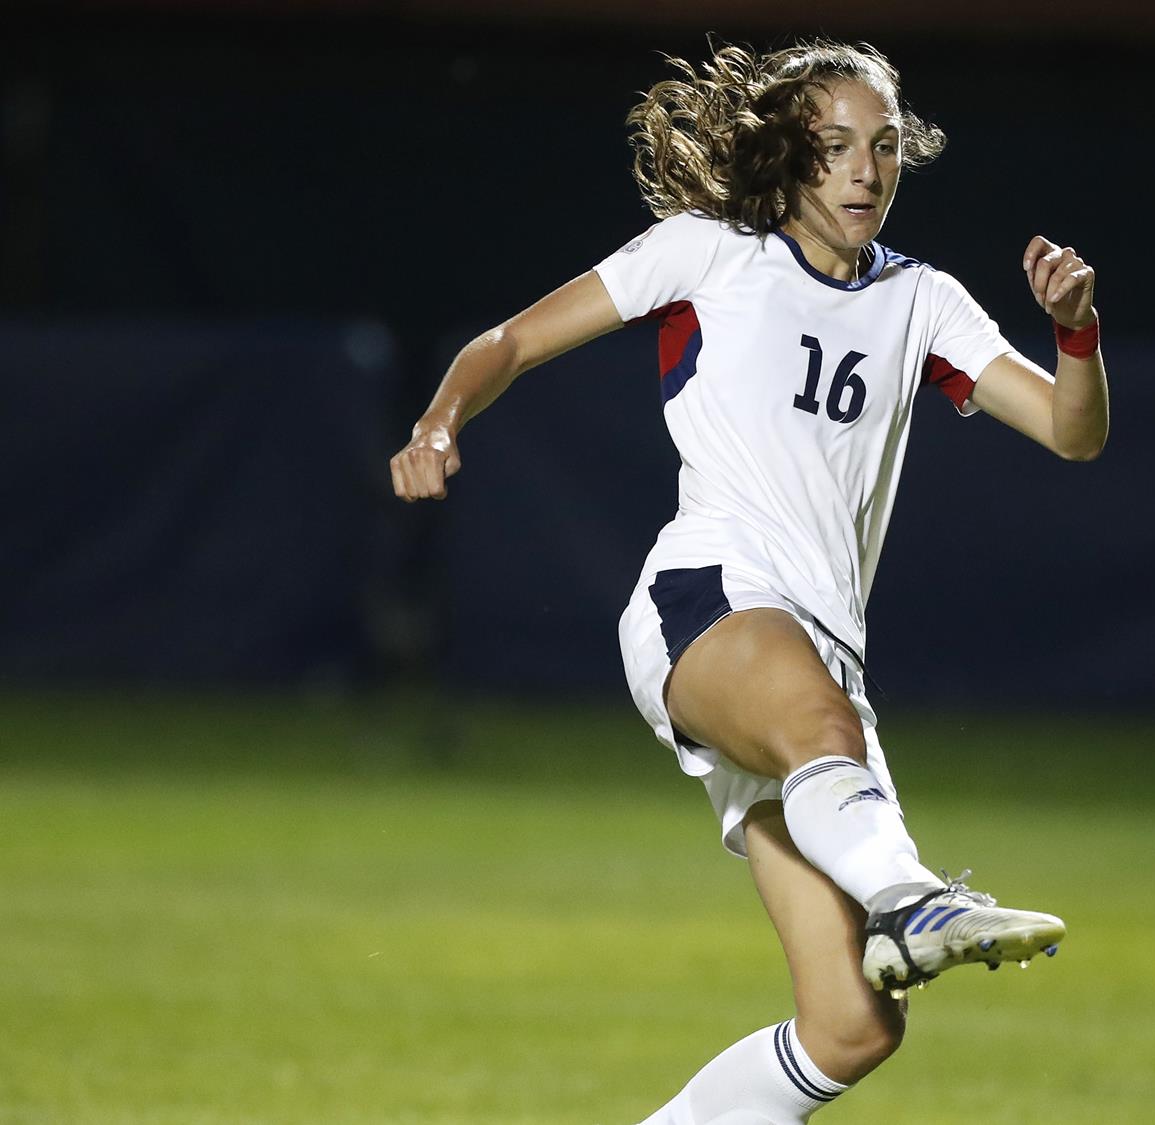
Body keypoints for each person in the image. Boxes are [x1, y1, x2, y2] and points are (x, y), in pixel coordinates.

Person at [388, 39, 1108, 1124]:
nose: (862, 171)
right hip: (709, 597)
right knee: (822, 730)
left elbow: (1070, 431)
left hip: (822, 666)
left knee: (851, 1029)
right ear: (789, 157)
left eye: (880, 147)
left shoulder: (924, 301)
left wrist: (1075, 332)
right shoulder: (710, 252)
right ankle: (912, 899)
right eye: (832, 149)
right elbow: (510, 342)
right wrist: (440, 420)